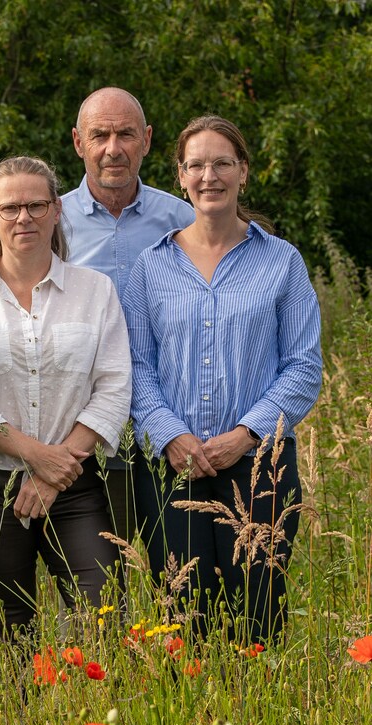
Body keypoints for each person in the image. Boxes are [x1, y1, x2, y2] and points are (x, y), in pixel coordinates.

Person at [123, 114, 322, 643]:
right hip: (171, 467)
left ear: (243, 172)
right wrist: (170, 435)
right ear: (181, 177)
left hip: (261, 469)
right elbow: (136, 367)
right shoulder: (150, 267)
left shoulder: (282, 262)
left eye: (222, 163)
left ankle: (256, 719)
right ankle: (193, 721)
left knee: (258, 615)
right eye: (196, 165)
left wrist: (245, 436)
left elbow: (303, 367)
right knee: (182, 618)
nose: (209, 175)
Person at [0, 156, 132, 635]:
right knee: (5, 629)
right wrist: (37, 457)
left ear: (57, 210)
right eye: (11, 207)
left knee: (102, 616)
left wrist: (54, 471)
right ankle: (20, 712)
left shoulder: (95, 291)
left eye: (36, 205)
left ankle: (93, 709)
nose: (24, 218)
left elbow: (113, 388)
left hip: (75, 481)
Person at [61, 88, 194, 541]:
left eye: (126, 134)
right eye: (100, 135)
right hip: (81, 428)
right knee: (95, 580)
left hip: (171, 427)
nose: (112, 149)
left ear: (147, 140)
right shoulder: (48, 221)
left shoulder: (183, 222)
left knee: (176, 570)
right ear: (79, 142)